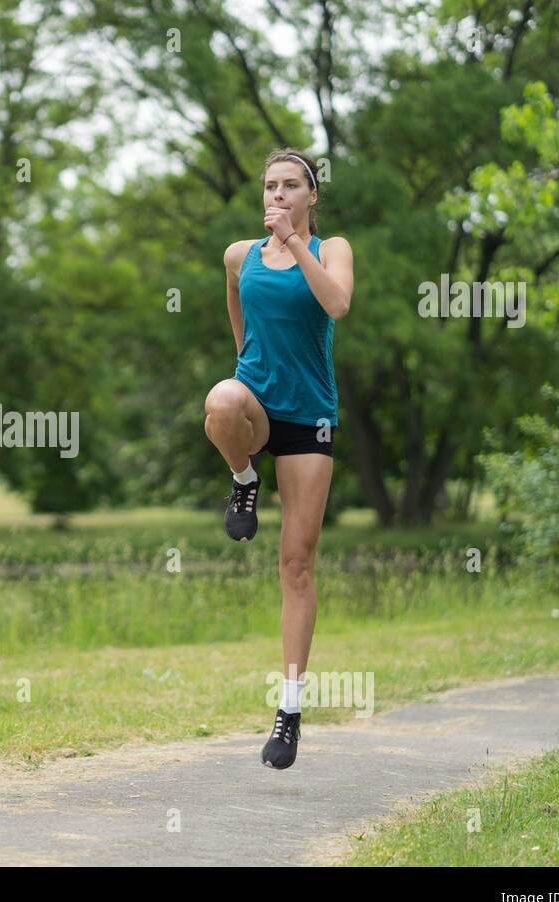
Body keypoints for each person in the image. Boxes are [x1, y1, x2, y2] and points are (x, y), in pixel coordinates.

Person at [202, 148, 354, 770]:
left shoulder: (329, 249)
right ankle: (244, 479)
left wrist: (294, 243)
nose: (278, 196)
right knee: (220, 399)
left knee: (296, 565)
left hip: (310, 416)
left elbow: (337, 305)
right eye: (271, 187)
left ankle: (288, 711)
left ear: (311, 196)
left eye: (291, 186)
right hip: (259, 405)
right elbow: (236, 297)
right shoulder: (241, 256)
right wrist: (246, 353)